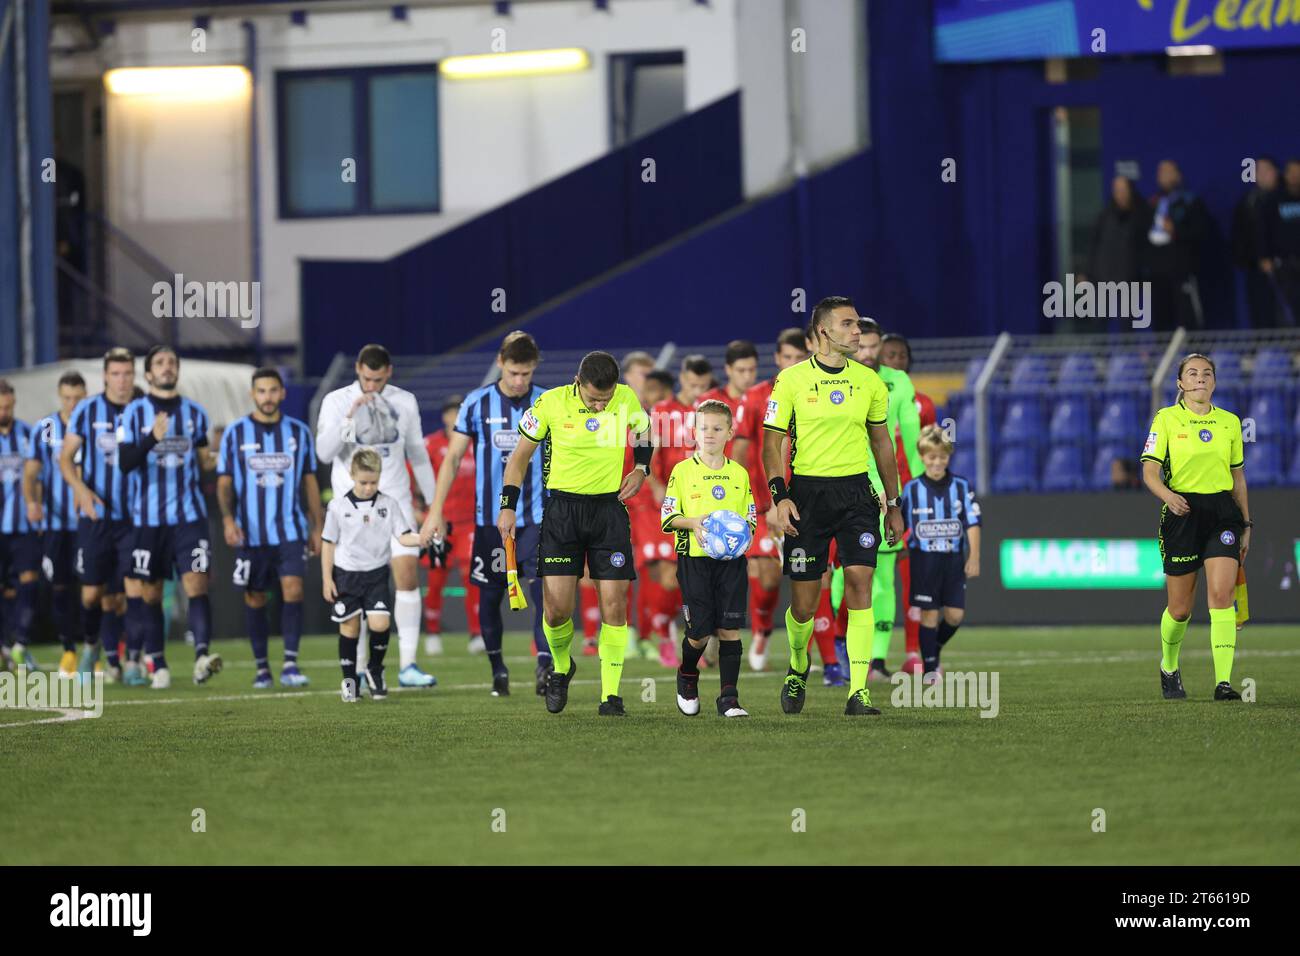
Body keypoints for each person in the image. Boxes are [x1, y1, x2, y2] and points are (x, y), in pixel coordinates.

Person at [763, 297, 904, 717]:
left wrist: (893, 504)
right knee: (805, 605)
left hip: (858, 495)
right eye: (848, 324)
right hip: (807, 497)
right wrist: (779, 496)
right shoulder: (789, 381)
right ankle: (798, 662)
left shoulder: (870, 383)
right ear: (824, 332)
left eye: (858, 324)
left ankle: (857, 691)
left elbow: (882, 444)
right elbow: (772, 442)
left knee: (860, 582)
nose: (857, 331)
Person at [497, 350, 653, 716]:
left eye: (607, 398)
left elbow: (645, 431)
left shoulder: (626, 397)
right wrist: (508, 505)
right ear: (577, 383)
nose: (601, 406)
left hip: (608, 511)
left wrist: (642, 468)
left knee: (615, 605)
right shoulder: (549, 404)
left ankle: (610, 695)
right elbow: (519, 458)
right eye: (594, 398)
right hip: (562, 513)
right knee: (555, 611)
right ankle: (562, 666)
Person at [419, 331, 552, 697]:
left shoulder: (547, 402)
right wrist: (435, 512)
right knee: (490, 597)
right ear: (500, 364)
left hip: (538, 517)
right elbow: (453, 458)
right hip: (490, 522)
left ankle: (545, 667)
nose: (519, 380)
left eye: (525, 373)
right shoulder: (477, 404)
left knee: (545, 593)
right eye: (513, 372)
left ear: (534, 367)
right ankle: (498, 669)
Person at [316, 344, 436, 688]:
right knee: (360, 591)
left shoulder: (405, 401)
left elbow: (417, 453)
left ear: (389, 373)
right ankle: (365, 666)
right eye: (367, 379)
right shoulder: (337, 401)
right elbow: (324, 454)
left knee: (407, 576)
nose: (372, 386)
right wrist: (350, 417)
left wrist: (432, 506)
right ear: (357, 370)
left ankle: (409, 665)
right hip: (352, 511)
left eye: (378, 380)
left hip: (393, 502)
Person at [1140, 354, 1250, 701]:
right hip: (1183, 511)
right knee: (1180, 609)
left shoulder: (1230, 422)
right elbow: (1149, 472)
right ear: (1181, 384)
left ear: (1214, 382)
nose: (1200, 378)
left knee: (1221, 596)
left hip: (1222, 513)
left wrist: (1246, 523)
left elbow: (1238, 478)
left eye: (1207, 373)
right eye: (1192, 373)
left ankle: (1223, 683)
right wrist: (1168, 497)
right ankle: (1169, 666)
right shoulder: (1167, 419)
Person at [116, 346, 221, 689]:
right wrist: (151, 438)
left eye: (172, 362)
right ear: (147, 374)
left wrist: (219, 457)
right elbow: (125, 462)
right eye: (159, 363)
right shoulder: (133, 413)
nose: (167, 367)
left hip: (189, 517)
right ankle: (157, 662)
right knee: (151, 593)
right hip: (148, 521)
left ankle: (202, 655)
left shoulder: (196, 413)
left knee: (197, 582)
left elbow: (205, 462)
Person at [217, 367, 323, 689]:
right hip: (251, 534)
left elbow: (310, 482)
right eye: (261, 391)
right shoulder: (235, 433)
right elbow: (224, 482)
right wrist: (227, 518)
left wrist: (317, 527)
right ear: (253, 394)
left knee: (294, 590)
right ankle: (262, 668)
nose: (267, 397)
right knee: (255, 598)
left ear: (283, 394)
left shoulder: (299, 432)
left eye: (273, 391)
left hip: (290, 530)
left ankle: (290, 663)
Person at [662, 399, 756, 718]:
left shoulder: (739, 475)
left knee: (730, 629)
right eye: (704, 428)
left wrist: (743, 535)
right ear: (694, 432)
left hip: (731, 563)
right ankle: (688, 674)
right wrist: (694, 522)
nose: (710, 434)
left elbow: (751, 518)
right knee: (699, 633)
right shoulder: (683, 471)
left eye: (717, 428)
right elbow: (669, 516)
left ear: (730, 432)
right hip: (695, 561)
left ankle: (729, 698)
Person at [731, 327, 808, 671]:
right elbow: (742, 452)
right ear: (777, 359)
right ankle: (762, 629)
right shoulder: (757, 398)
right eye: (787, 358)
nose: (793, 363)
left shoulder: (815, 393)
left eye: (799, 358)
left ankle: (815, 652)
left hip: (808, 497)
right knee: (768, 577)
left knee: (812, 577)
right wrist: (751, 500)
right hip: (765, 502)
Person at [60, 348, 137, 683]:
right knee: (93, 593)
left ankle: (125, 660)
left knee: (125, 595)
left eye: (127, 374)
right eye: (116, 374)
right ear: (105, 376)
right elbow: (65, 459)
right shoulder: (87, 410)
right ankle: (91, 645)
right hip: (96, 515)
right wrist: (80, 490)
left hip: (135, 517)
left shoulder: (144, 407)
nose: (122, 381)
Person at [322, 449, 423, 702]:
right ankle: (349, 681)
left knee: (381, 624)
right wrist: (327, 578)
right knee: (350, 627)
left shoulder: (388, 505)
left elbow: (402, 536)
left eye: (373, 482)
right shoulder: (337, 507)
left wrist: (423, 539)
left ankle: (374, 669)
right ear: (351, 476)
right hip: (347, 575)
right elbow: (328, 544)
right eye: (363, 482)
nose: (368, 488)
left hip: (377, 573)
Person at [642, 354, 713, 668]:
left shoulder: (712, 412)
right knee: (669, 577)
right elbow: (649, 453)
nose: (697, 389)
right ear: (682, 378)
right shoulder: (662, 412)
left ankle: (694, 638)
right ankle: (666, 634)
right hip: (670, 503)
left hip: (704, 504)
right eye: (692, 383)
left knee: (698, 580)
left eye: (702, 384)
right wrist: (656, 485)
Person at [900, 426, 981, 681]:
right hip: (924, 561)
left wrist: (974, 557)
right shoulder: (912, 489)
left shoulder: (961, 486)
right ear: (922, 457)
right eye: (932, 457)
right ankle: (931, 667)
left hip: (953, 560)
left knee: (955, 615)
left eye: (942, 457)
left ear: (949, 457)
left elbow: (973, 523)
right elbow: (899, 523)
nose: (937, 462)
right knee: (929, 614)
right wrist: (898, 543)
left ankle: (932, 648)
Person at [22, 370, 87, 677]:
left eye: (78, 398)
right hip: (57, 524)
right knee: (60, 587)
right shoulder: (44, 428)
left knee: (93, 588)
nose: (73, 404)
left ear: (85, 396)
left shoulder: (96, 423)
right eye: (67, 398)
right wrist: (33, 503)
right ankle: (69, 651)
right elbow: (31, 472)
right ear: (60, 397)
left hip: (91, 522)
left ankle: (95, 648)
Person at [417, 393, 482, 658]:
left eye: (460, 412)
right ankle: (432, 633)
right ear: (444, 416)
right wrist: (424, 515)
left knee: (472, 578)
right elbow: (413, 480)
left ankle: (476, 633)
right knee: (435, 579)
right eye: (451, 412)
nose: (455, 417)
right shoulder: (430, 444)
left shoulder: (477, 443)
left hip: (469, 523)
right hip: (439, 523)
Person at [622, 366, 674, 660]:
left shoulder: (662, 418)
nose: (642, 384)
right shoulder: (621, 415)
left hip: (651, 505)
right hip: (627, 501)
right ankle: (626, 633)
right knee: (623, 570)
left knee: (659, 574)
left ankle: (649, 633)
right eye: (636, 377)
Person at [0, 380, 38, 671]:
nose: (4, 410)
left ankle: (20, 644)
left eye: (8, 406)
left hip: (23, 527)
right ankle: (6, 644)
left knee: (27, 583)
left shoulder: (28, 434)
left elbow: (39, 478)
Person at [1145, 160, 1209, 331]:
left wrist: (1175, 230)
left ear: (1177, 175)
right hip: (1158, 271)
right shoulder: (1153, 202)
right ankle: (1164, 356)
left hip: (1183, 269)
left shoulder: (1190, 202)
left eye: (1168, 172)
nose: (1163, 176)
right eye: (1160, 173)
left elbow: (1200, 232)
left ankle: (1193, 355)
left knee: (1187, 317)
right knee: (1161, 318)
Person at [1231, 156, 1278, 327]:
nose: (1263, 175)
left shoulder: (1287, 197)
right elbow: (1240, 234)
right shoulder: (1249, 201)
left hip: (1285, 266)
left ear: (1276, 172)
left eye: (1267, 170)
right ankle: (1264, 349)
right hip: (1255, 267)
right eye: (1259, 171)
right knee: (1259, 307)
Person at [1258, 158, 1300, 326]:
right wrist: (1264, 257)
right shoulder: (1274, 200)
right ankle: (1291, 346)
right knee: (1286, 305)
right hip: (1284, 262)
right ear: (1286, 175)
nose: (1296, 177)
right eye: (1293, 173)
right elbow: (1263, 230)